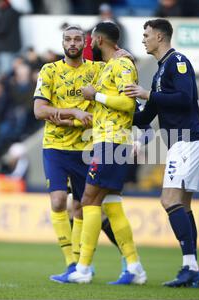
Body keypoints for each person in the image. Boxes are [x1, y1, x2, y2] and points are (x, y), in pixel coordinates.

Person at [33, 25, 127, 283]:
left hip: (87, 147)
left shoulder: (97, 69)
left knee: (83, 207)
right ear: (62, 42)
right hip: (56, 147)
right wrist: (73, 114)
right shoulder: (49, 70)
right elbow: (39, 111)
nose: (72, 43)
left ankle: (89, 265)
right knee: (58, 202)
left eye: (77, 39)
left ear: (86, 42)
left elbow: (123, 65)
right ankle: (71, 263)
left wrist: (124, 54)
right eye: (68, 39)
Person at [124, 19, 199, 288]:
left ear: (160, 37)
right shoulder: (161, 71)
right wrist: (116, 105)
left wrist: (148, 95)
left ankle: (190, 266)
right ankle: (191, 268)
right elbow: (145, 116)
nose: (143, 39)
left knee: (168, 200)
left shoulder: (177, 61)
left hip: (186, 139)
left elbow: (184, 98)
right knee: (183, 205)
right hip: (180, 142)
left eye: (146, 35)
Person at [67, 21, 147, 285]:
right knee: (112, 205)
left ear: (99, 40)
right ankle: (134, 267)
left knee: (88, 200)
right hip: (107, 140)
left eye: (90, 39)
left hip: (113, 142)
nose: (88, 43)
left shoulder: (122, 65)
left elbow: (129, 103)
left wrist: (96, 96)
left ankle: (83, 268)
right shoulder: (113, 64)